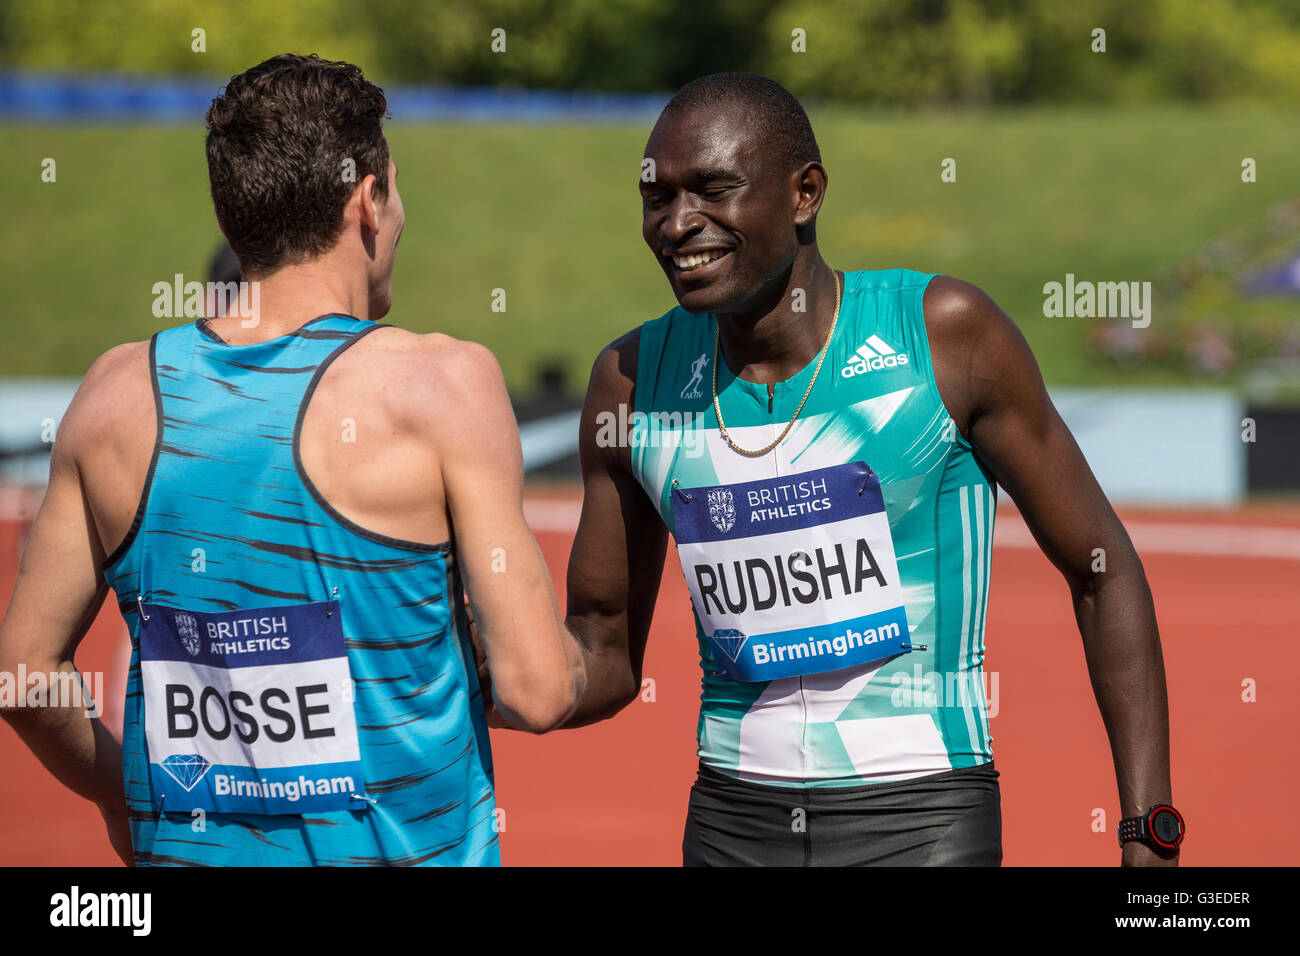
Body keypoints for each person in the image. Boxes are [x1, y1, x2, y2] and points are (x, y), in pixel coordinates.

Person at [563, 72, 1179, 866]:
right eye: (658, 198)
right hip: (729, 823)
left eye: (714, 190)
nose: (679, 223)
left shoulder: (946, 337)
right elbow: (602, 654)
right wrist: (453, 672)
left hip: (921, 817)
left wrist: (1148, 834)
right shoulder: (633, 378)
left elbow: (1105, 570)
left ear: (805, 193)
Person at [0, 53, 584, 867]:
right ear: (367, 202)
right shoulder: (443, 384)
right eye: (397, 189)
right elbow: (539, 689)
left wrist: (132, 794)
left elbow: (25, 680)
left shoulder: (114, 395)